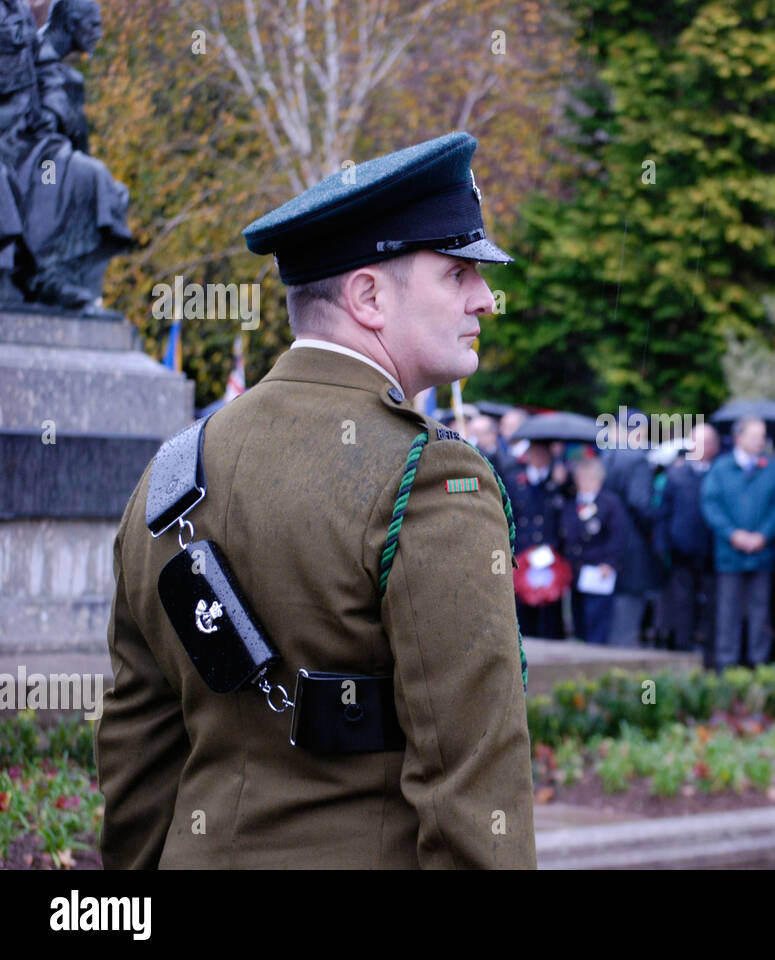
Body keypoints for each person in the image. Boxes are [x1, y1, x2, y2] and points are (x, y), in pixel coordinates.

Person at [95, 133, 536, 868]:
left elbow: (137, 761)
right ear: (368, 295)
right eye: (458, 273)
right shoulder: (431, 476)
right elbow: (474, 785)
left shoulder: (172, 472)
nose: (486, 299)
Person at [700, 417, 775, 669]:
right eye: (754, 436)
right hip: (730, 554)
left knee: (760, 611)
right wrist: (733, 534)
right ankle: (726, 664)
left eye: (762, 436)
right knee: (728, 611)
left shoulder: (774, 469)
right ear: (739, 438)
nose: (760, 441)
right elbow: (711, 505)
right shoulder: (720, 468)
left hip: (762, 554)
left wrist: (763, 535)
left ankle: (758, 663)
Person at [658, 422, 721, 662]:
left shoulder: (720, 473)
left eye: (705, 443)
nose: (700, 448)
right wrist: (663, 546)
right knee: (682, 605)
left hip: (713, 554)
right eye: (696, 442)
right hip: (681, 553)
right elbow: (663, 514)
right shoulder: (676, 475)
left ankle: (709, 656)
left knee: (711, 607)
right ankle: (682, 654)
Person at [602, 414, 658, 647]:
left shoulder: (606, 456)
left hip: (606, 542)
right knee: (627, 617)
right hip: (632, 544)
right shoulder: (637, 459)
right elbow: (641, 503)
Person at [559, 457, 628, 646]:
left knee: (596, 620)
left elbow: (618, 536)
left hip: (598, 570)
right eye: (581, 477)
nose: (584, 482)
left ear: (599, 479)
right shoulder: (571, 503)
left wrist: (610, 562)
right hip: (576, 569)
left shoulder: (610, 503)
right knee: (578, 617)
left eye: (590, 477)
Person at [507, 438, 568, 639]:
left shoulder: (560, 480)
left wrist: (559, 484)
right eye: (535, 453)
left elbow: (566, 513)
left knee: (550, 608)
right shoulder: (515, 480)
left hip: (550, 551)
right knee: (524, 603)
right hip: (524, 550)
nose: (539, 457)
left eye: (543, 453)